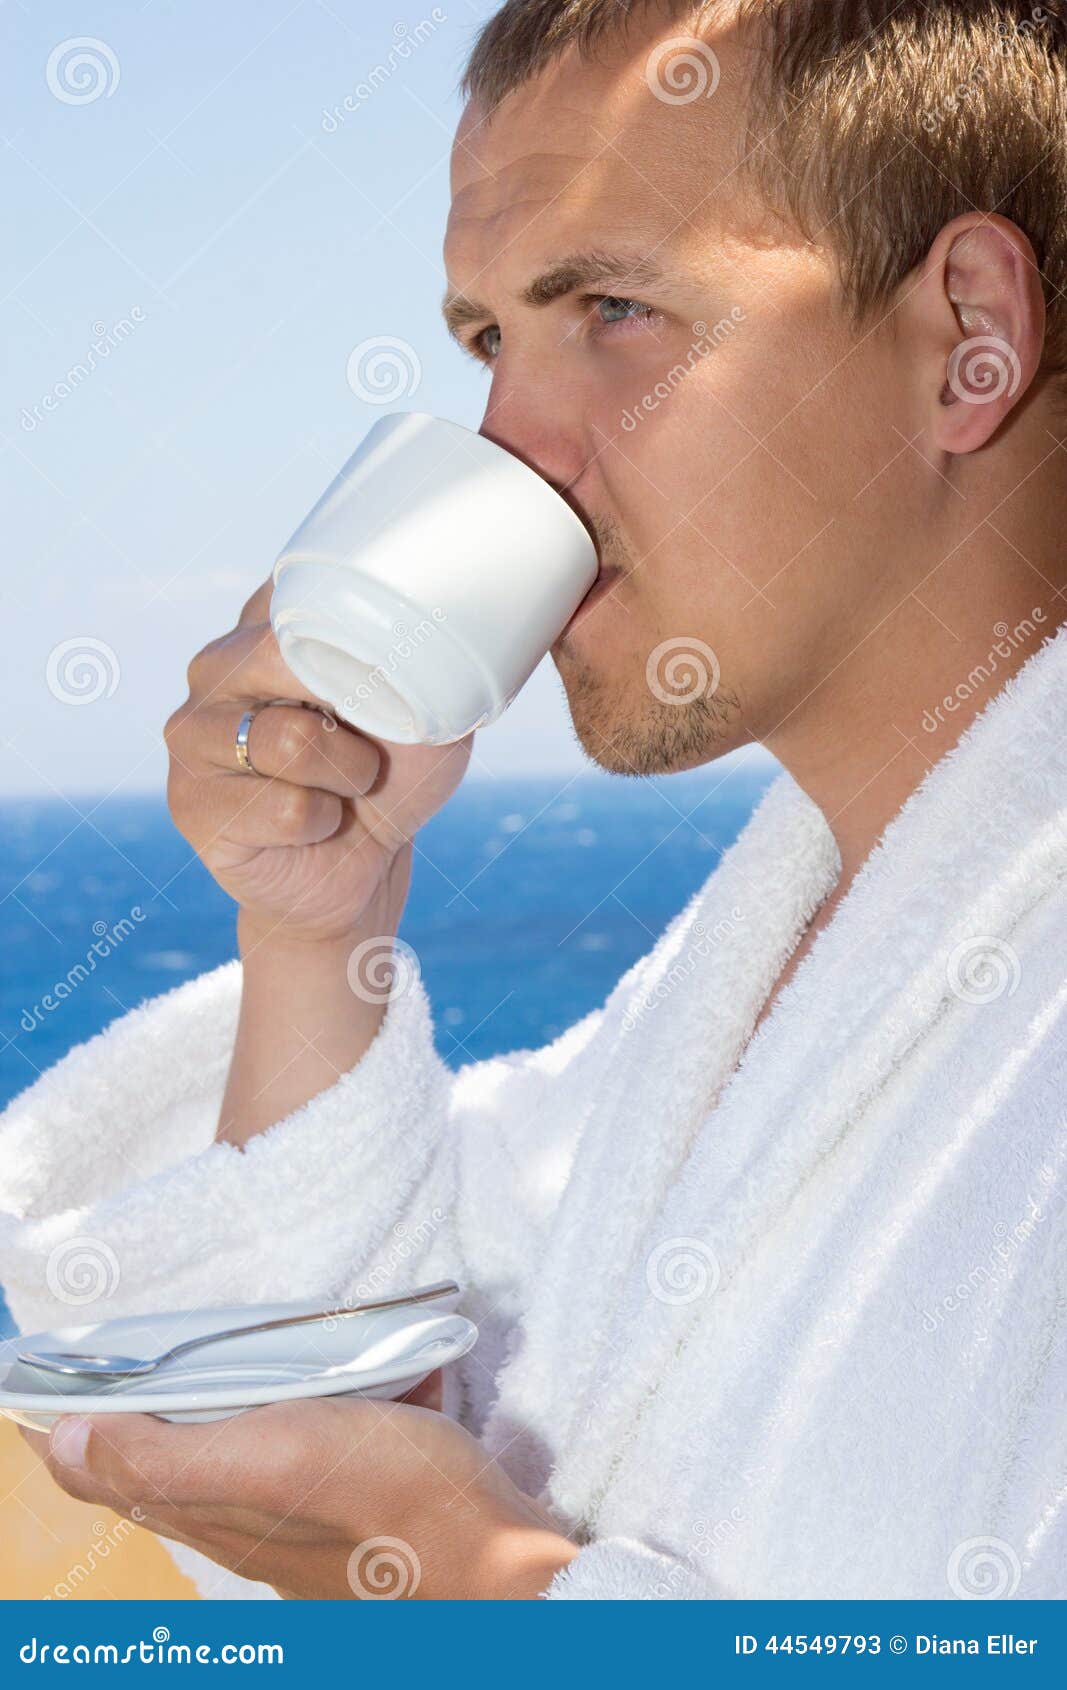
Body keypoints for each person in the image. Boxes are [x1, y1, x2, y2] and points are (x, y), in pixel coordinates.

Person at [2, 0, 1065, 1601]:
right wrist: (320, 926)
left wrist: (485, 1587)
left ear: (967, 332)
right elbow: (307, 1420)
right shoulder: (737, 997)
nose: (514, 446)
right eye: (493, 337)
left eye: (616, 308)